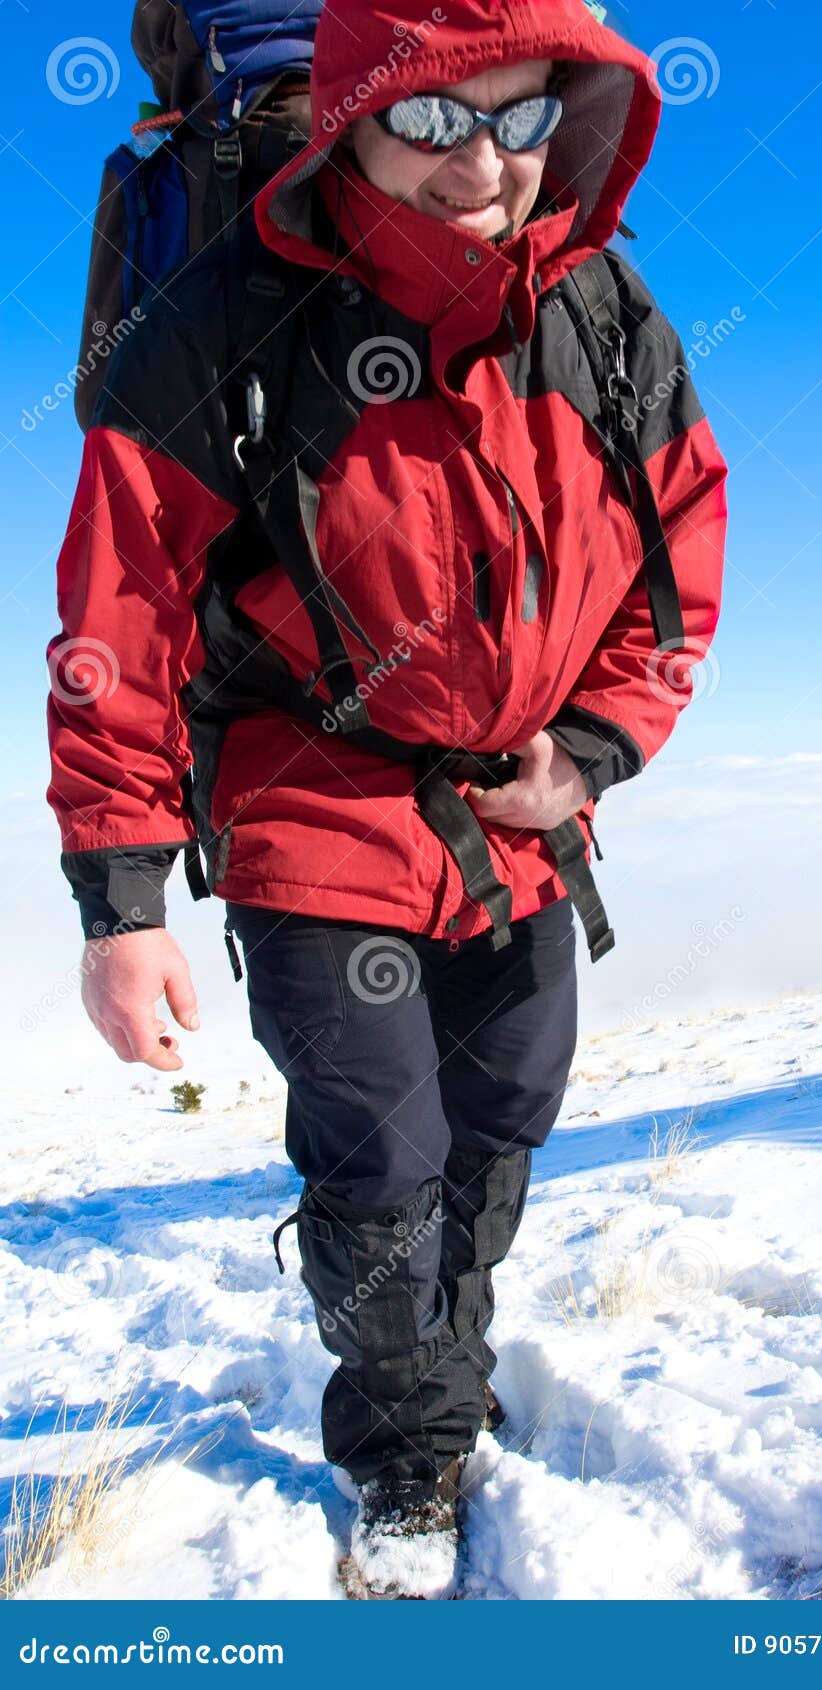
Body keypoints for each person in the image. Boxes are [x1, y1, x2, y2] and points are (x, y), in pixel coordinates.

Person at [46, 0, 727, 1598]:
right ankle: (406, 1458)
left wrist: (594, 748)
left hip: (524, 821)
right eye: (430, 118)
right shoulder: (231, 319)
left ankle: (444, 1353)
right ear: (350, 115)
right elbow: (118, 615)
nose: (479, 159)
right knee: (381, 1151)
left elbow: (677, 549)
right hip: (312, 797)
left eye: (517, 109)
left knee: (504, 1115)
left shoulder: (603, 308)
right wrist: (123, 902)